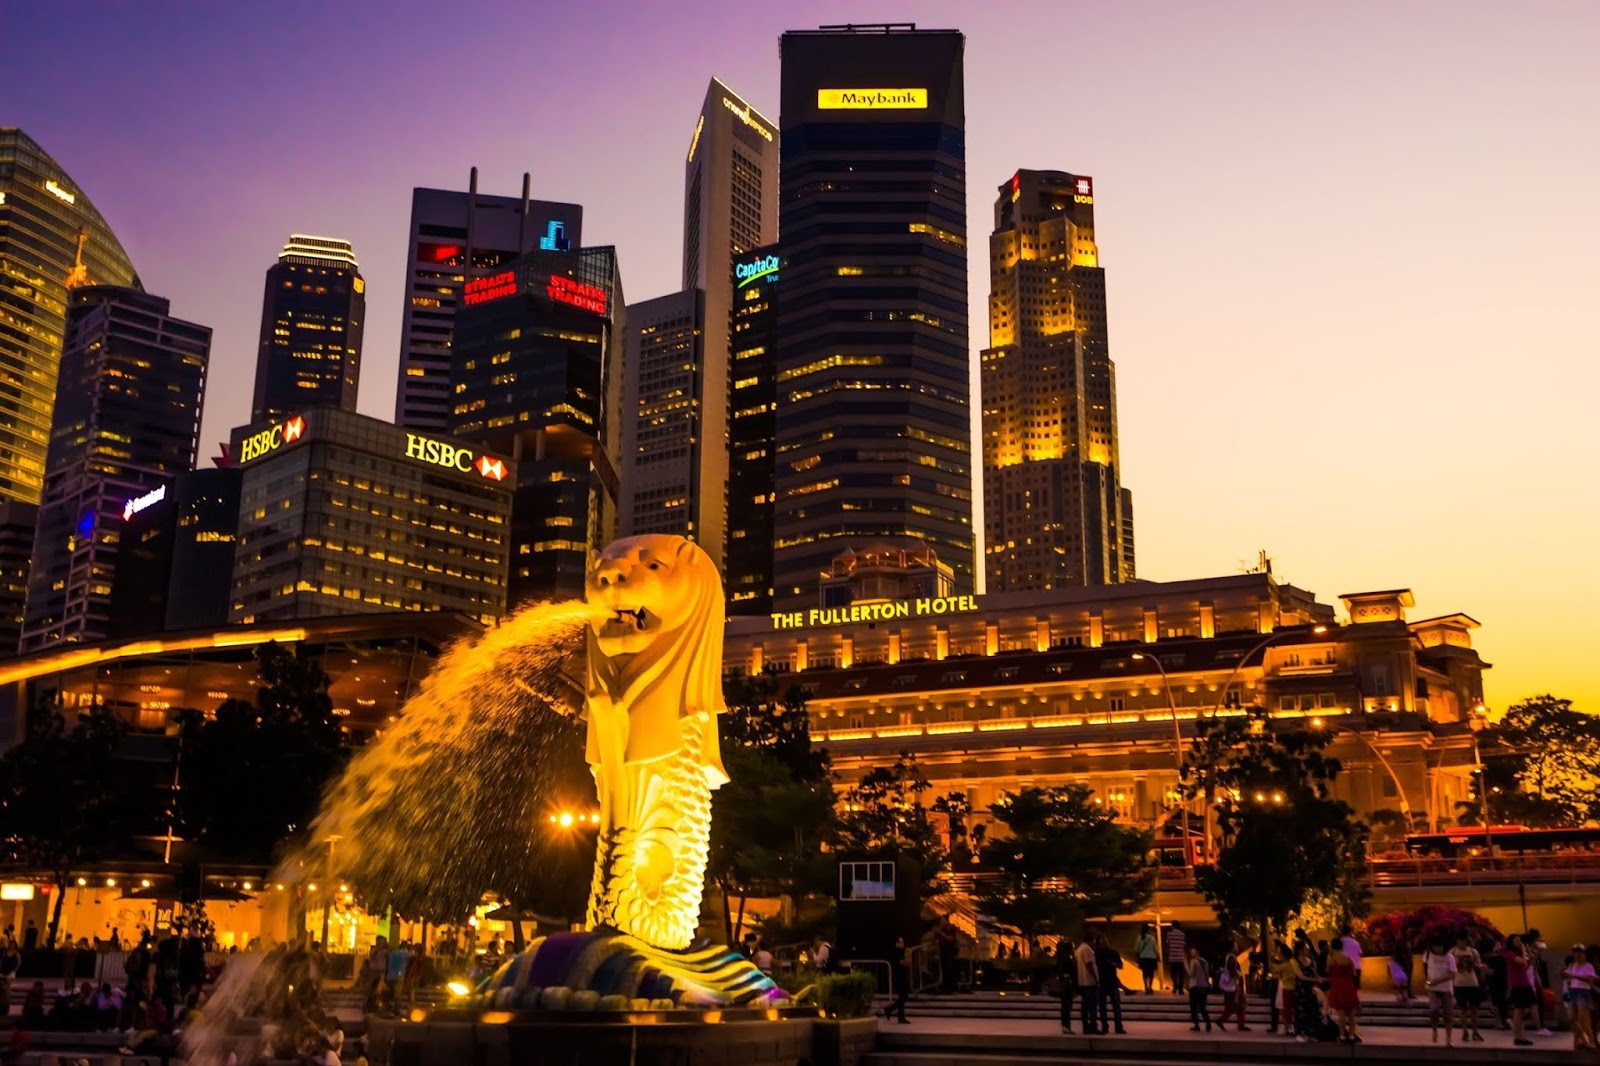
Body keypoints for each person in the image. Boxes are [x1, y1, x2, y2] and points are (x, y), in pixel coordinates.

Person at [1503, 934, 1537, 1046]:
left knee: (1524, 1009)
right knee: (1519, 1008)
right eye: (1516, 940)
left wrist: (1531, 960)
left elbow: (1525, 966)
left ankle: (1520, 1033)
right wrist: (1524, 952)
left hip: (1525, 982)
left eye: (1519, 940)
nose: (1519, 941)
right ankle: (1518, 1036)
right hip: (1518, 984)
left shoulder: (1519, 954)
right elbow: (1521, 961)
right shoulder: (1510, 954)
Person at [1421, 937, 1457, 1045]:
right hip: (1433, 988)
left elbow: (1453, 974)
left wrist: (1437, 981)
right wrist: (1427, 980)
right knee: (1434, 1009)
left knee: (1448, 1013)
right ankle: (1434, 1030)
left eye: (1440, 946)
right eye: (1435, 947)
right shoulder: (1428, 955)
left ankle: (1448, 1038)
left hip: (1446, 989)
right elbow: (1425, 967)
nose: (1438, 949)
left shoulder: (1449, 957)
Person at [1451, 931, 1486, 1042]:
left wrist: (1478, 966)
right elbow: (1448, 968)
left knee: (1474, 1009)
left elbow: (1479, 965)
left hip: (1472, 983)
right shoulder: (1452, 952)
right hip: (1459, 983)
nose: (1463, 943)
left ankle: (1475, 1031)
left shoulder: (1473, 952)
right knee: (1463, 1009)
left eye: (1465, 940)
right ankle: (1465, 1031)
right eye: (1461, 940)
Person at [1325, 938, 1360, 1043]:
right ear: (1342, 947)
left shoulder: (1331, 959)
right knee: (1351, 1012)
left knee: (1341, 1012)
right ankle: (1352, 1035)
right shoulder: (1348, 959)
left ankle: (1342, 1035)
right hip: (1348, 986)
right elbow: (1354, 974)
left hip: (1337, 986)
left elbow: (1327, 971)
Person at [1562, 944, 1596, 1051]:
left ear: (1584, 954)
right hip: (1573, 991)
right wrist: (1564, 973)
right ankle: (1582, 1040)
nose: (1576, 955)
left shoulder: (1588, 966)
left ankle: (1590, 1040)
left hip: (1583, 992)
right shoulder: (1572, 966)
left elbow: (1589, 979)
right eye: (1575, 953)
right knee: (1572, 1018)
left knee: (1582, 1018)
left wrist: (1574, 976)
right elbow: (1565, 976)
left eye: (1579, 953)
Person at [1094, 936, 1126, 1034]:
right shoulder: (1097, 954)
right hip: (1103, 982)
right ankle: (1106, 1026)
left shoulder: (1112, 953)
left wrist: (1112, 964)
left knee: (1115, 1005)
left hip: (1111, 981)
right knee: (1104, 1006)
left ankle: (1118, 1026)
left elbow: (1120, 965)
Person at [1215, 952, 1249, 1031]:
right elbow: (1222, 984)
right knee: (1231, 1009)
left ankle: (1241, 1025)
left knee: (1240, 1008)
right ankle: (1221, 1020)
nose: (1233, 963)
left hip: (1236, 992)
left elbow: (1239, 983)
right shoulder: (1225, 973)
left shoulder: (1236, 972)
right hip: (1231, 993)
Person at [1075, 936, 1100, 1034]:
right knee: (1093, 1005)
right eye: (1094, 942)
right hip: (1089, 982)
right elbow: (1089, 964)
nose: (1094, 945)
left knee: (1085, 1006)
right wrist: (1095, 978)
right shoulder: (1087, 949)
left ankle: (1086, 1026)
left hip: (1082, 981)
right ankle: (1093, 1026)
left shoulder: (1079, 949)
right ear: (1091, 941)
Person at [883, 937, 910, 1024]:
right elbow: (903, 963)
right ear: (897, 943)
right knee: (904, 996)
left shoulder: (900, 952)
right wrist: (908, 956)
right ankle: (889, 1009)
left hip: (901, 976)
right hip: (899, 977)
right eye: (901, 942)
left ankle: (900, 1017)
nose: (903, 944)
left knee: (903, 996)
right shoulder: (896, 952)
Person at [1053, 940, 1078, 1035]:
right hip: (1067, 986)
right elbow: (1068, 971)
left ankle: (1065, 1026)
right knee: (1067, 1006)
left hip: (1065, 985)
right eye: (1072, 947)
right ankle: (1066, 1026)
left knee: (1065, 1006)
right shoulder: (1067, 959)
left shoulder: (1060, 958)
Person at [1185, 944, 1212, 1032]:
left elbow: (1191, 974)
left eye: (1193, 950)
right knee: (1202, 1006)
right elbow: (1207, 975)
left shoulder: (1193, 961)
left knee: (1194, 1006)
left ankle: (1196, 1025)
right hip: (1204, 986)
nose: (1191, 952)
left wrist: (1185, 964)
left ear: (1197, 952)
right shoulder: (1205, 961)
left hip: (1195, 986)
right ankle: (1208, 1023)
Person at [934, 918, 959, 994]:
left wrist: (941, 933)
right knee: (945, 969)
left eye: (943, 920)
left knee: (949, 969)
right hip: (943, 951)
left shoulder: (951, 928)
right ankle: (946, 986)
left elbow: (950, 938)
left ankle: (951, 987)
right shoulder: (943, 928)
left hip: (950, 952)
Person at [1134, 924, 1159, 994]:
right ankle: (1150, 987)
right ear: (1148, 930)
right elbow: (1155, 949)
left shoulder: (1139, 938)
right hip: (1152, 958)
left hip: (1143, 958)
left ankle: (1145, 987)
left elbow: (1136, 949)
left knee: (1144, 973)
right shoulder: (1152, 938)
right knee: (1151, 973)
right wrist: (1158, 956)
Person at [1165, 921, 1187, 995]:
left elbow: (1168, 944)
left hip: (1172, 956)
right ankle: (1180, 989)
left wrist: (1168, 954)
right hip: (1180, 956)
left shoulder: (1169, 934)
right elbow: (1183, 945)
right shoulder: (1182, 934)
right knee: (1181, 974)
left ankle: (1175, 986)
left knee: (1173, 973)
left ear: (1173, 926)